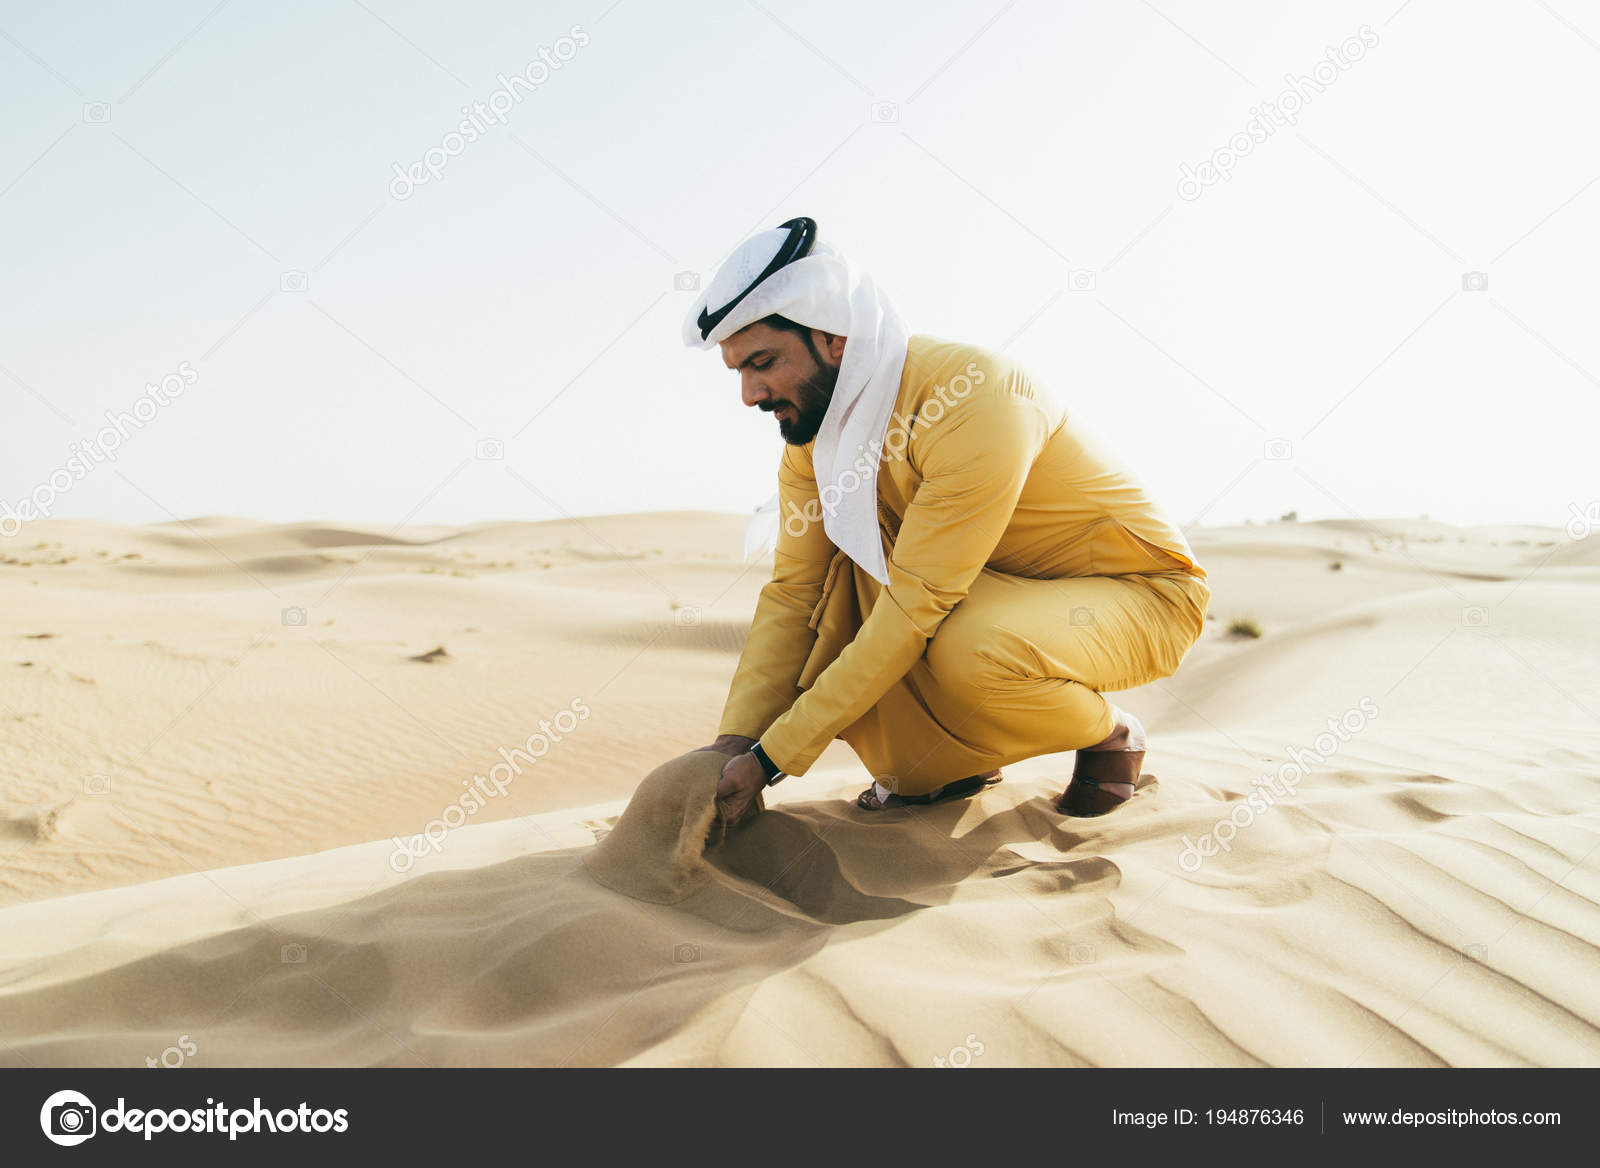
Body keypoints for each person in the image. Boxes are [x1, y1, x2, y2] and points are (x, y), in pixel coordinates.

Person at [685, 218, 1209, 828]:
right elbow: (794, 593)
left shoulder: (973, 397)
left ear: (833, 339)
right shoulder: (814, 443)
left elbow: (915, 603)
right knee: (838, 612)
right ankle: (947, 765)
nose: (750, 394)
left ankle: (1110, 733)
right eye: (739, 373)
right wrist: (736, 738)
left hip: (1140, 597)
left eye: (763, 362)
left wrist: (770, 758)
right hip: (980, 595)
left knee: (972, 652)